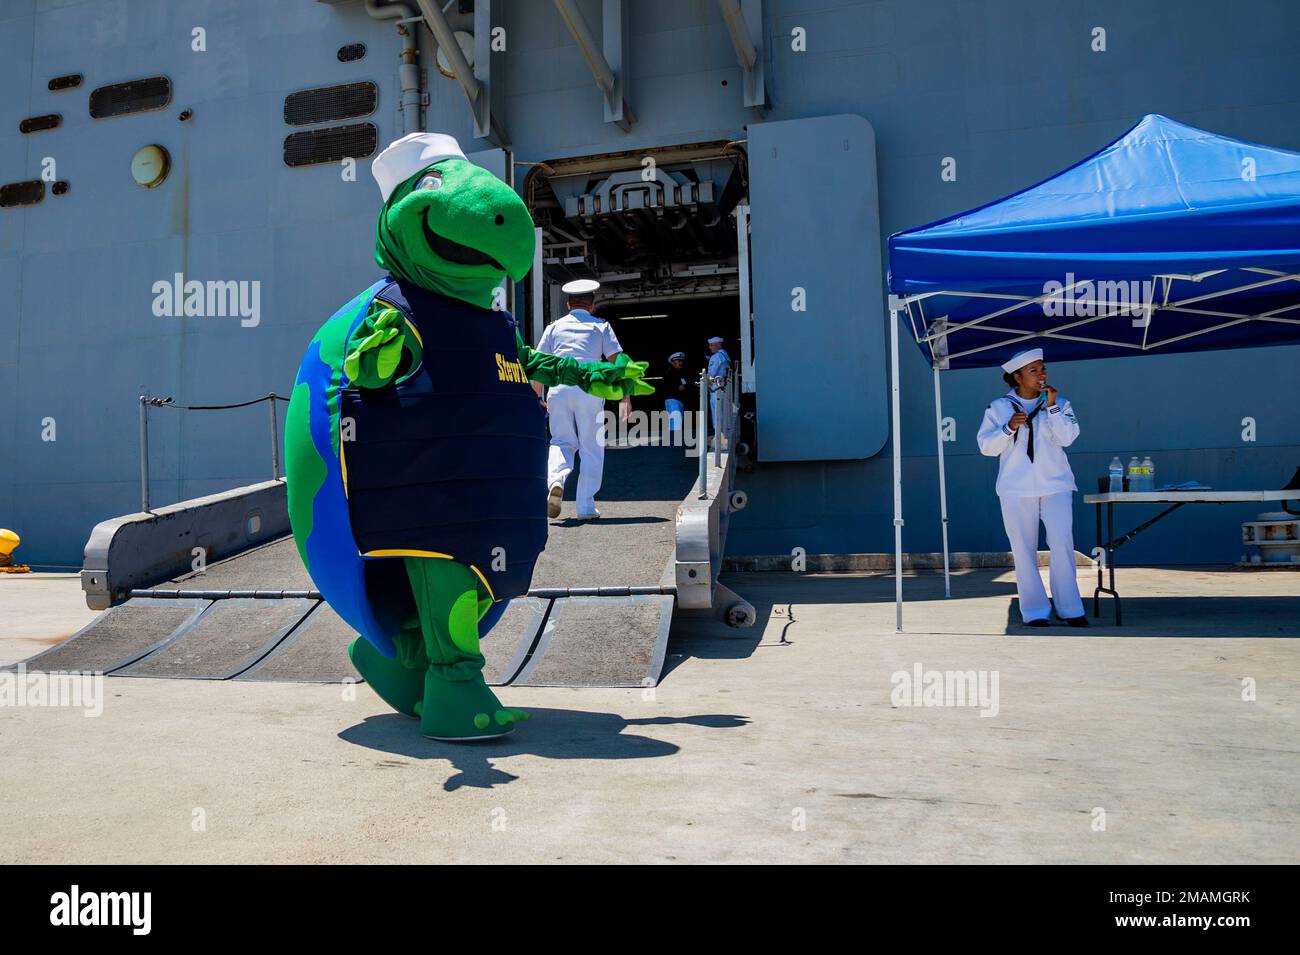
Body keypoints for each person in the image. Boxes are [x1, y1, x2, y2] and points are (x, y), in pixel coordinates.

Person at [976, 348, 1088, 628]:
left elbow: (1067, 438)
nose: (1042, 375)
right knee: (1023, 550)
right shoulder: (998, 407)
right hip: (1016, 488)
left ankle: (1070, 607)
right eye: (1034, 371)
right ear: (1017, 376)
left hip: (1056, 485)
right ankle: (1035, 610)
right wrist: (1007, 429)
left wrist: (1052, 408)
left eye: (1043, 369)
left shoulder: (1060, 403)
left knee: (1062, 544)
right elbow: (986, 448)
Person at [535, 279, 622, 520]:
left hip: (559, 390)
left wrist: (537, 396)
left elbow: (540, 364)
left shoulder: (553, 328)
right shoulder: (601, 327)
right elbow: (617, 361)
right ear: (592, 305)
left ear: (568, 305)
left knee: (561, 441)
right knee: (591, 447)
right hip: (589, 389)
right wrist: (624, 395)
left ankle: (556, 480)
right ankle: (585, 507)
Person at [706, 336, 732, 438]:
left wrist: (705, 382)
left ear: (718, 345)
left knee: (717, 412)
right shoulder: (725, 356)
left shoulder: (716, 357)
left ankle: (718, 434)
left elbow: (711, 373)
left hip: (716, 388)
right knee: (724, 411)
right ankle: (724, 433)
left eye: (711, 345)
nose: (710, 347)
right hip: (724, 387)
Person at [664, 351, 688, 436]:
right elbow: (667, 385)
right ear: (673, 361)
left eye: (681, 361)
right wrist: (678, 387)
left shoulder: (680, 372)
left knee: (677, 421)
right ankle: (673, 441)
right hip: (672, 399)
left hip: (679, 400)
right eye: (678, 361)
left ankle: (674, 441)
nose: (680, 363)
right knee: (675, 422)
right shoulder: (670, 371)